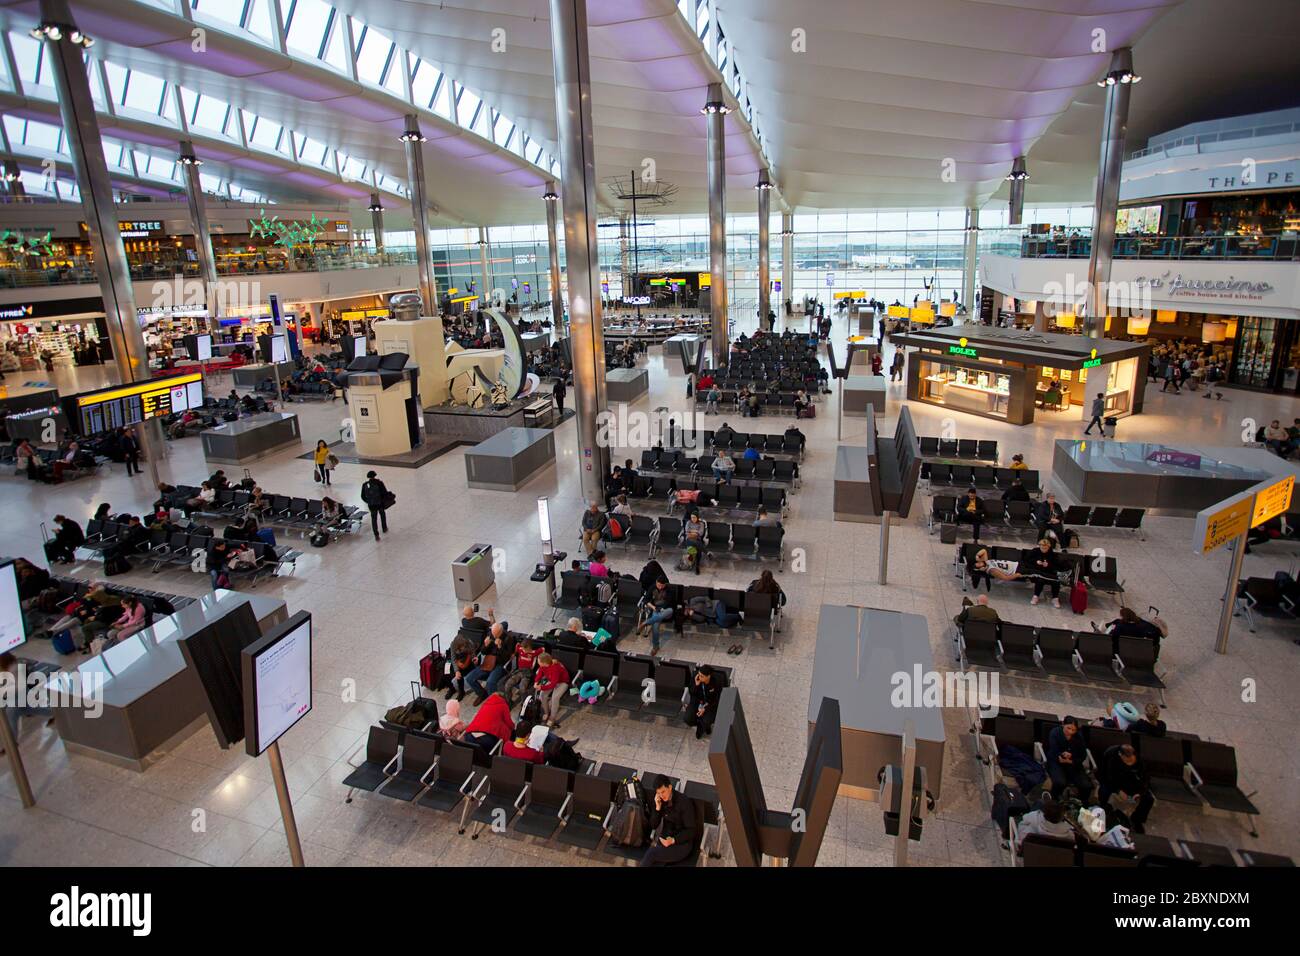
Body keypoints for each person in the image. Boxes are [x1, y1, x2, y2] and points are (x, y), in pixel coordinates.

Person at [639, 775, 699, 867]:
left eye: (663, 792)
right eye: (658, 793)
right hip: (665, 841)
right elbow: (653, 825)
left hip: (681, 844)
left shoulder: (684, 802)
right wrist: (657, 808)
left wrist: (673, 840)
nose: (661, 795)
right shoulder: (660, 801)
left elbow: (691, 831)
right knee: (655, 863)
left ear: (670, 787)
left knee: (651, 854)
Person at [0, 653, 55, 749]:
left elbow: (20, 686)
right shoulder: (10, 668)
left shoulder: (14, 668)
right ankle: (56, 713)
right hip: (17, 697)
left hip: (21, 697)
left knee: (12, 715)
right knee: (32, 709)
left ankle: (12, 743)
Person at [1098, 743, 1153, 833]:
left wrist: (1140, 792)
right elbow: (1106, 776)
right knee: (1104, 790)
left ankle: (1137, 819)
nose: (1130, 763)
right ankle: (1103, 808)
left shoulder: (1139, 759)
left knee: (1149, 799)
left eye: (1131, 760)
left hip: (1130, 781)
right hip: (1114, 781)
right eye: (1127, 761)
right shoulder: (1111, 755)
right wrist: (1118, 790)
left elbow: (1146, 778)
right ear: (1120, 755)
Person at [464, 623, 513, 705]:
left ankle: (494, 702)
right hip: (489, 662)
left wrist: (500, 647)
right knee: (469, 678)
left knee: (490, 683)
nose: (494, 636)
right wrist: (486, 645)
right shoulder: (490, 635)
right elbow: (483, 652)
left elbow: (507, 658)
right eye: (493, 633)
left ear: (501, 631)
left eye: (496, 634)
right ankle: (482, 694)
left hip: (500, 664)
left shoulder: (508, 639)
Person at [1044, 716, 1093, 797]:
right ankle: (1054, 799)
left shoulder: (1079, 737)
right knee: (1060, 782)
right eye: (1068, 728)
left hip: (1073, 764)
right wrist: (1062, 755)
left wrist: (1071, 760)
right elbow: (1053, 749)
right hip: (1056, 762)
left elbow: (1082, 755)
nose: (1070, 732)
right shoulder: (1055, 733)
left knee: (1086, 785)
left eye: (1073, 730)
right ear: (1063, 724)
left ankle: (1081, 802)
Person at [685, 665, 722, 739]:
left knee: (707, 720)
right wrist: (696, 685)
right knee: (688, 719)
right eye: (699, 674)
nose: (699, 677)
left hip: (710, 704)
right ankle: (700, 724)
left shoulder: (716, 682)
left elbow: (717, 699)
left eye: (702, 676)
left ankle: (701, 728)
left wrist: (705, 708)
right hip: (697, 702)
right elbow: (691, 692)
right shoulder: (696, 678)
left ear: (708, 676)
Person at [533, 652, 570, 727]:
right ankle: (546, 713)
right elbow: (540, 673)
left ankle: (552, 718)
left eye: (538, 661)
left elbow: (553, 684)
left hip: (563, 682)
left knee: (554, 698)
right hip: (552, 679)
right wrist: (536, 682)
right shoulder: (543, 666)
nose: (537, 662)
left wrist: (541, 687)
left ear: (544, 662)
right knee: (542, 695)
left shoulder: (554, 668)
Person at [1025, 538, 1064, 607]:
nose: (1044, 550)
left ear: (1049, 547)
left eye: (1046, 548)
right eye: (1042, 548)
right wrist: (1036, 562)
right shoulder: (1035, 551)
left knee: (1056, 581)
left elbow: (1056, 565)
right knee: (1040, 580)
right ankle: (1036, 596)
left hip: (1048, 572)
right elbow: (1027, 560)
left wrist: (1048, 565)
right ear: (1039, 546)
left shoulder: (1052, 554)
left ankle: (1055, 598)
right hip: (1037, 571)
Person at [644, 578, 676, 656]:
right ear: (656, 582)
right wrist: (653, 607)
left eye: (662, 586)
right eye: (659, 585)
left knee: (669, 610)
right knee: (655, 626)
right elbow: (646, 600)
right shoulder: (652, 587)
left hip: (667, 610)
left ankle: (649, 621)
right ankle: (655, 646)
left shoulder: (669, 590)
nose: (660, 587)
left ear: (665, 584)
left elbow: (668, 603)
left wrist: (661, 609)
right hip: (656, 609)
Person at [360, 470, 390, 540]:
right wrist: (382, 500)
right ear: (375, 476)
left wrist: (368, 501)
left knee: (374, 519)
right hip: (379, 503)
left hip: (371, 505)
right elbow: (384, 493)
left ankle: (376, 535)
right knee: (382, 515)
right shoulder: (379, 483)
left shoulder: (365, 484)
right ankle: (384, 528)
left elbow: (362, 496)